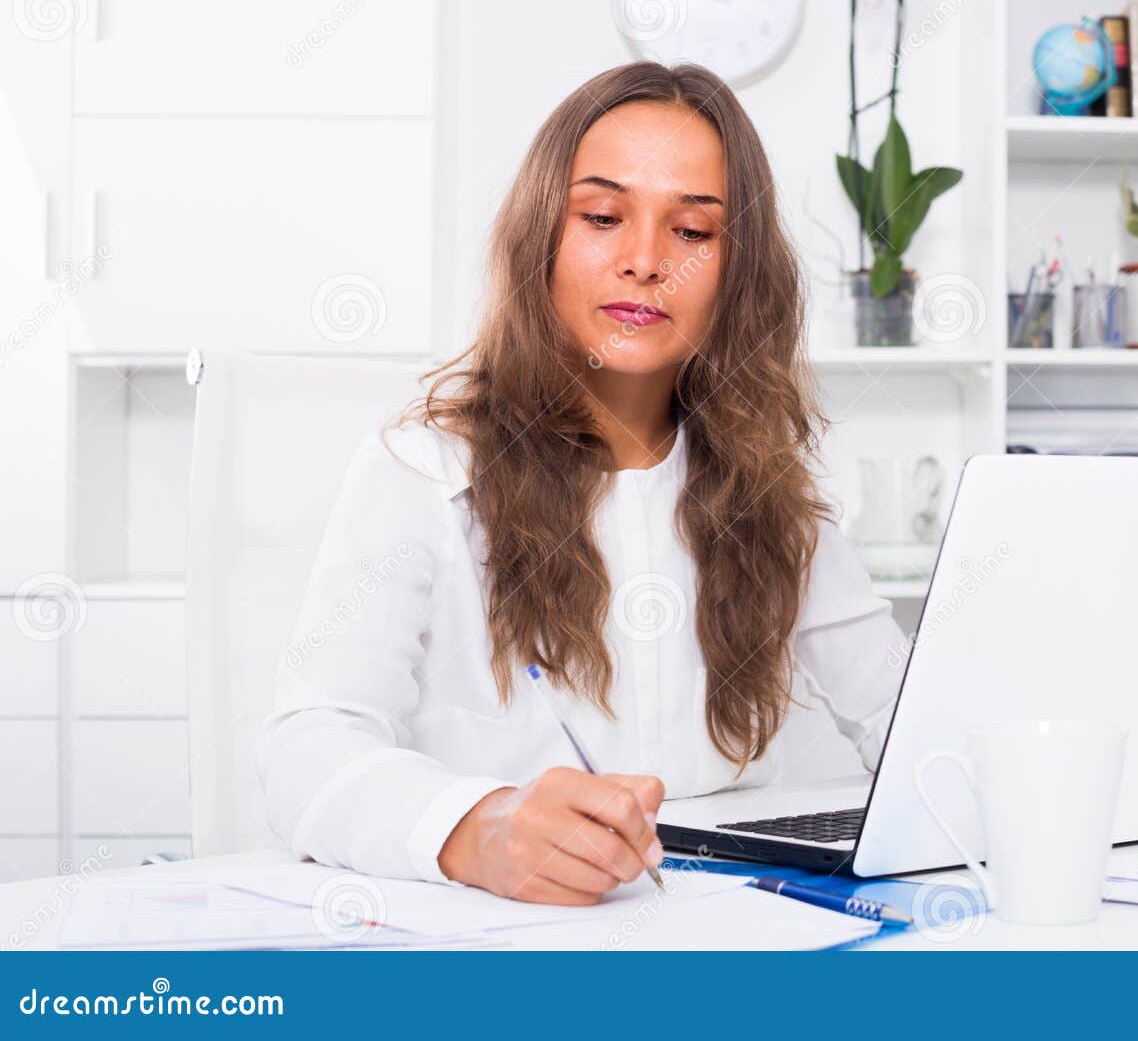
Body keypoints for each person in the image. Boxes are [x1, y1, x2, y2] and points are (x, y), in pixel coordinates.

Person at [257, 62, 908, 905]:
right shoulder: (422, 474)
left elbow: (908, 722)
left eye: (694, 233)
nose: (645, 262)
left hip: (726, 936)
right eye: (602, 216)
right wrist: (474, 827)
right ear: (542, 241)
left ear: (737, 274)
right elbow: (305, 750)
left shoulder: (769, 494)